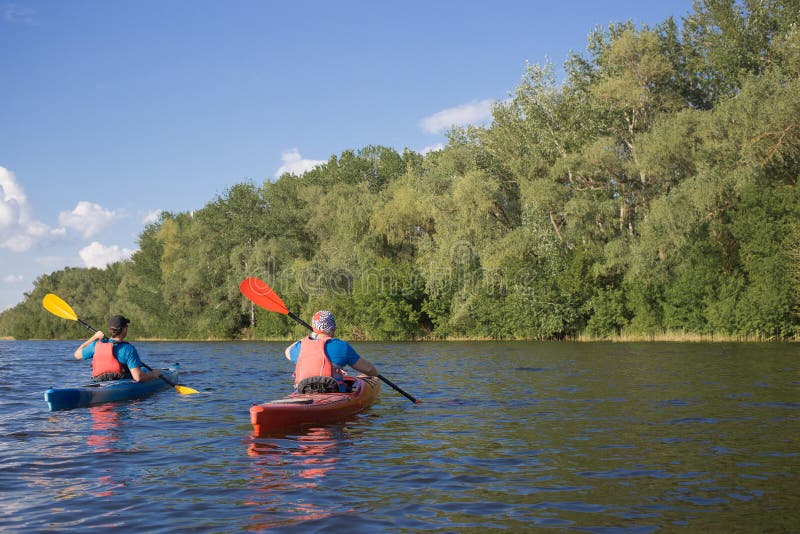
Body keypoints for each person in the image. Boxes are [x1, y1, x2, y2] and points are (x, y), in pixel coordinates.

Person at [284, 310, 378, 393]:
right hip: (333, 392)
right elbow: (369, 369)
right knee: (362, 377)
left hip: (304, 392)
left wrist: (310, 336)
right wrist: (375, 374)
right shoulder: (341, 346)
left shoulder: (301, 345)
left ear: (314, 327)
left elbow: (287, 352)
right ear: (333, 327)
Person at [74, 315, 162, 383]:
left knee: (142, 370)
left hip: (99, 382)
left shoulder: (96, 345)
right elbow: (138, 377)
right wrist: (153, 375)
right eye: (126, 326)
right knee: (143, 371)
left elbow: (77, 355)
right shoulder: (128, 349)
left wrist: (94, 337)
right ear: (124, 330)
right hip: (120, 384)